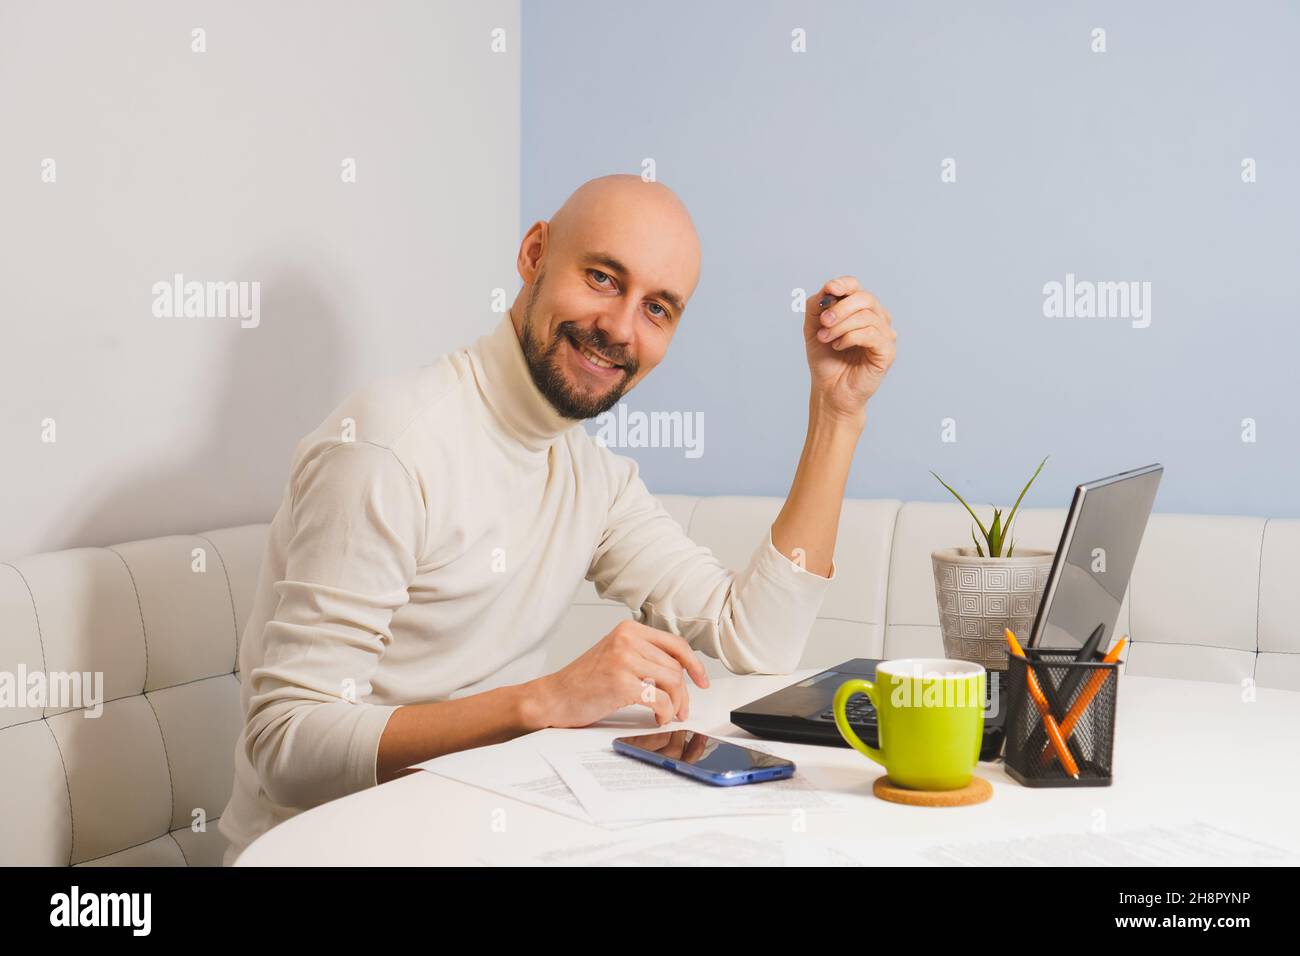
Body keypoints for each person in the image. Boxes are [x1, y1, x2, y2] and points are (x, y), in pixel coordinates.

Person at [219, 173, 896, 864]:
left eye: (657, 309)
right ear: (534, 252)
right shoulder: (390, 447)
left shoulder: (588, 477)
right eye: (603, 278)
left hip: (482, 836)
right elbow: (288, 745)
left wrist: (837, 416)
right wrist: (543, 702)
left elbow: (758, 639)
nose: (620, 328)